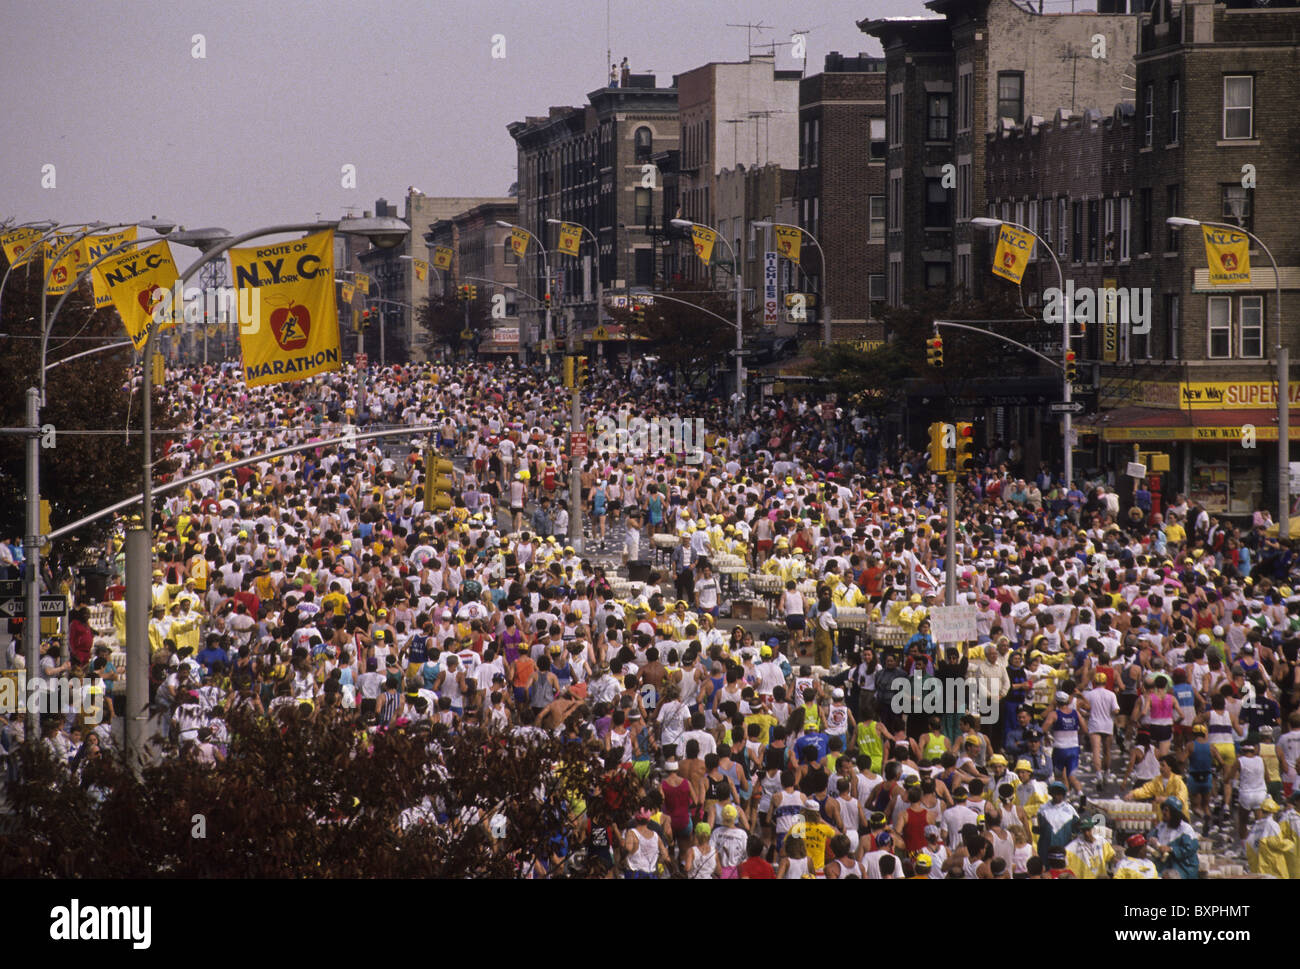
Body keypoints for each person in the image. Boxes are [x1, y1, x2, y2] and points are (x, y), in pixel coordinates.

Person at [1149, 796, 1199, 879]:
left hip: (1181, 866)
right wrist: (1153, 840)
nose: (1163, 813)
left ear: (1174, 813)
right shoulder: (1162, 825)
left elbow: (1190, 848)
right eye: (1163, 810)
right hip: (1164, 863)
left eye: (1166, 810)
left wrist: (1171, 849)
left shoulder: (1185, 829)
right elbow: (1152, 835)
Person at [1243, 798, 1294, 878]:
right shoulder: (1272, 825)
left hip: (1258, 865)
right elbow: (1276, 843)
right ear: (1273, 811)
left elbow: (1249, 845)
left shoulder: (1256, 826)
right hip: (1272, 863)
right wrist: (1291, 843)